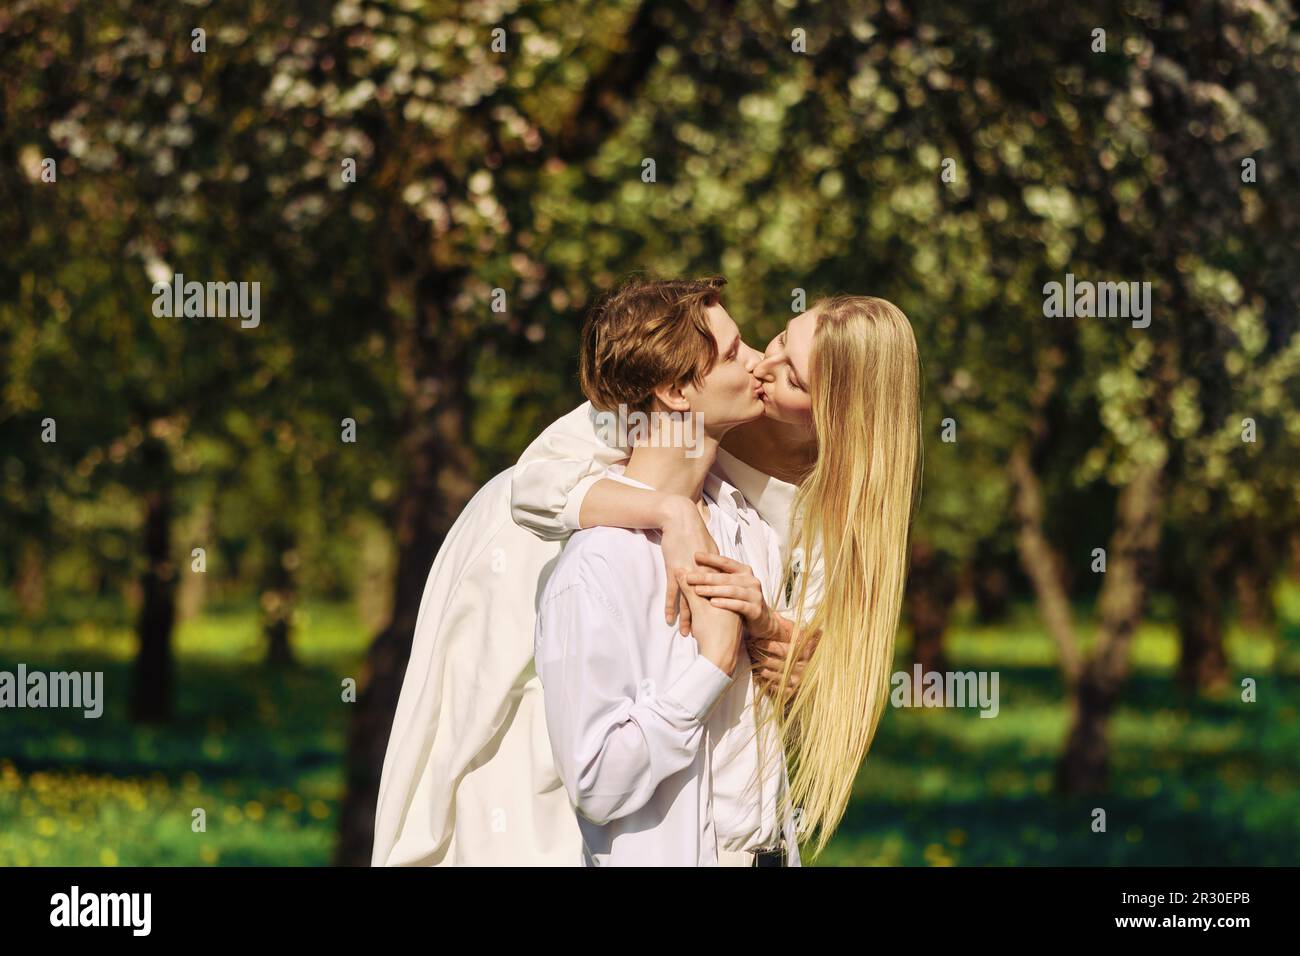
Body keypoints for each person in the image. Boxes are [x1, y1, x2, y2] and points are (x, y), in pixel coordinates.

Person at [534, 278, 799, 865]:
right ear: (677, 390)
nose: (759, 362)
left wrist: (774, 639)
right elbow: (598, 783)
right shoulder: (596, 567)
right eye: (734, 353)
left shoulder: (748, 529)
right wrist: (710, 668)